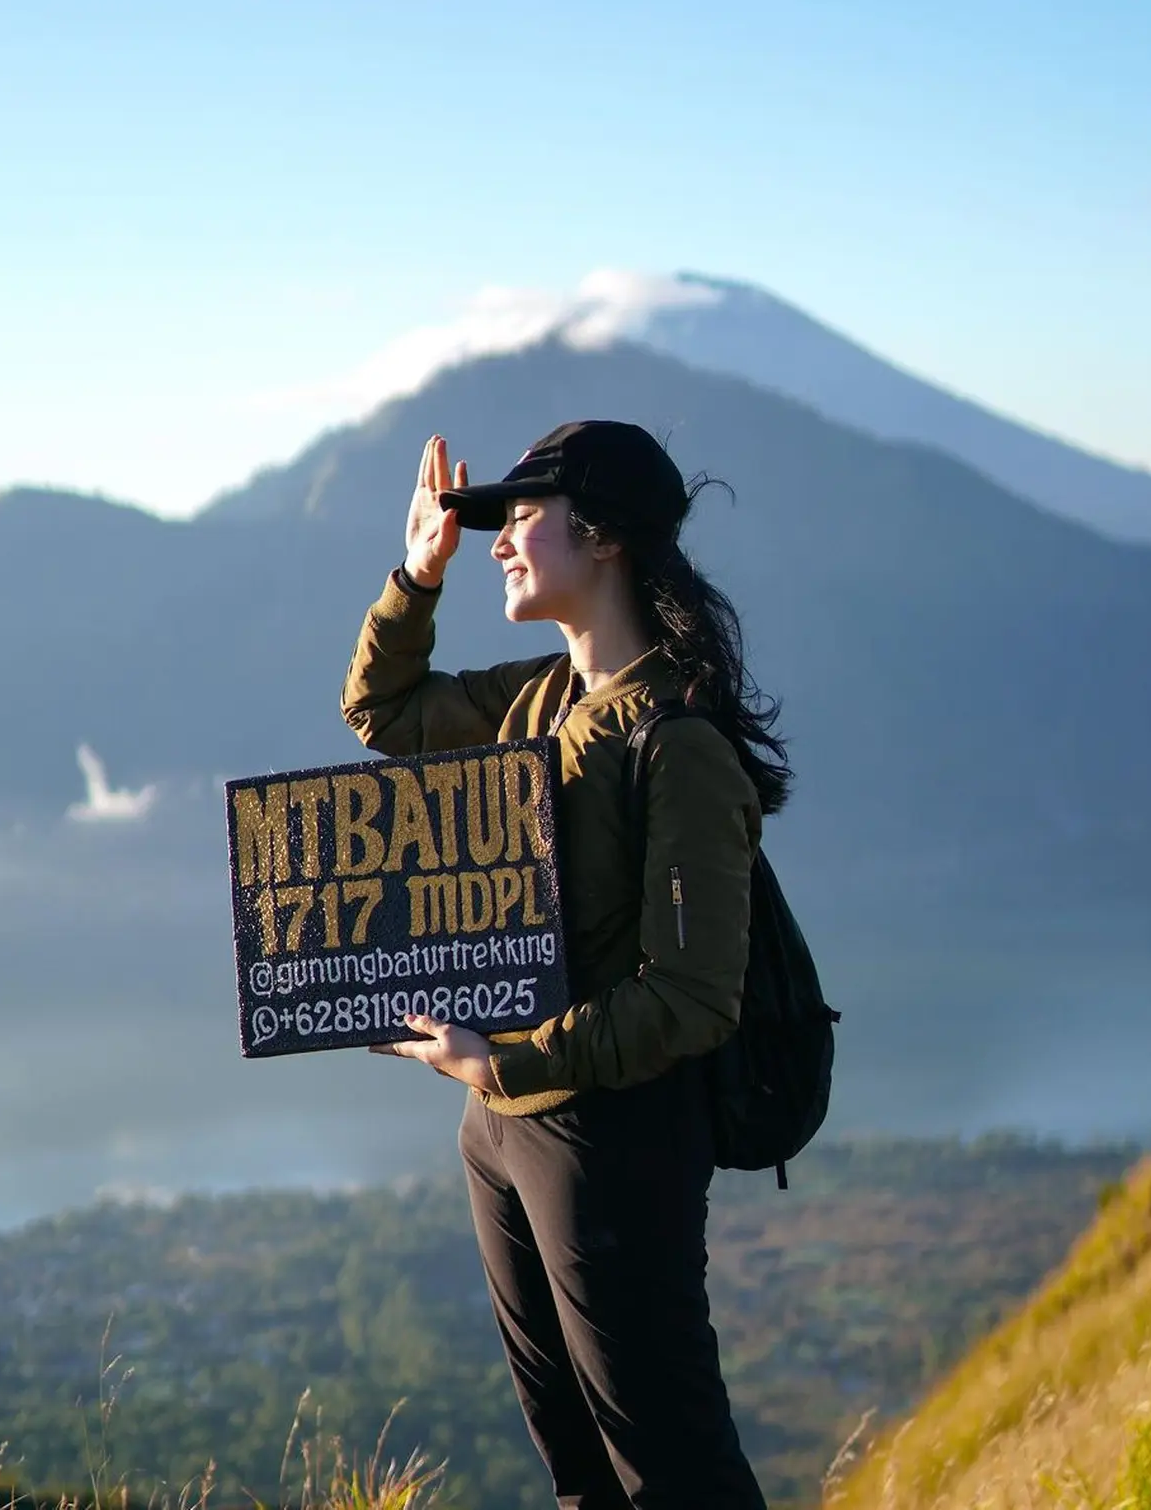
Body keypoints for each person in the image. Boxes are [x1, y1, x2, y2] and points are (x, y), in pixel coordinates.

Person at [341, 421, 791, 1510]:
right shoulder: (540, 695)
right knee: (581, 1474)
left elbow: (688, 1000)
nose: (493, 539)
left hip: (612, 1137)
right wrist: (415, 573)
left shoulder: (676, 740)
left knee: (671, 1466)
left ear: (604, 539)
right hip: (501, 1129)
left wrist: (502, 1061)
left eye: (519, 514)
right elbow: (383, 713)